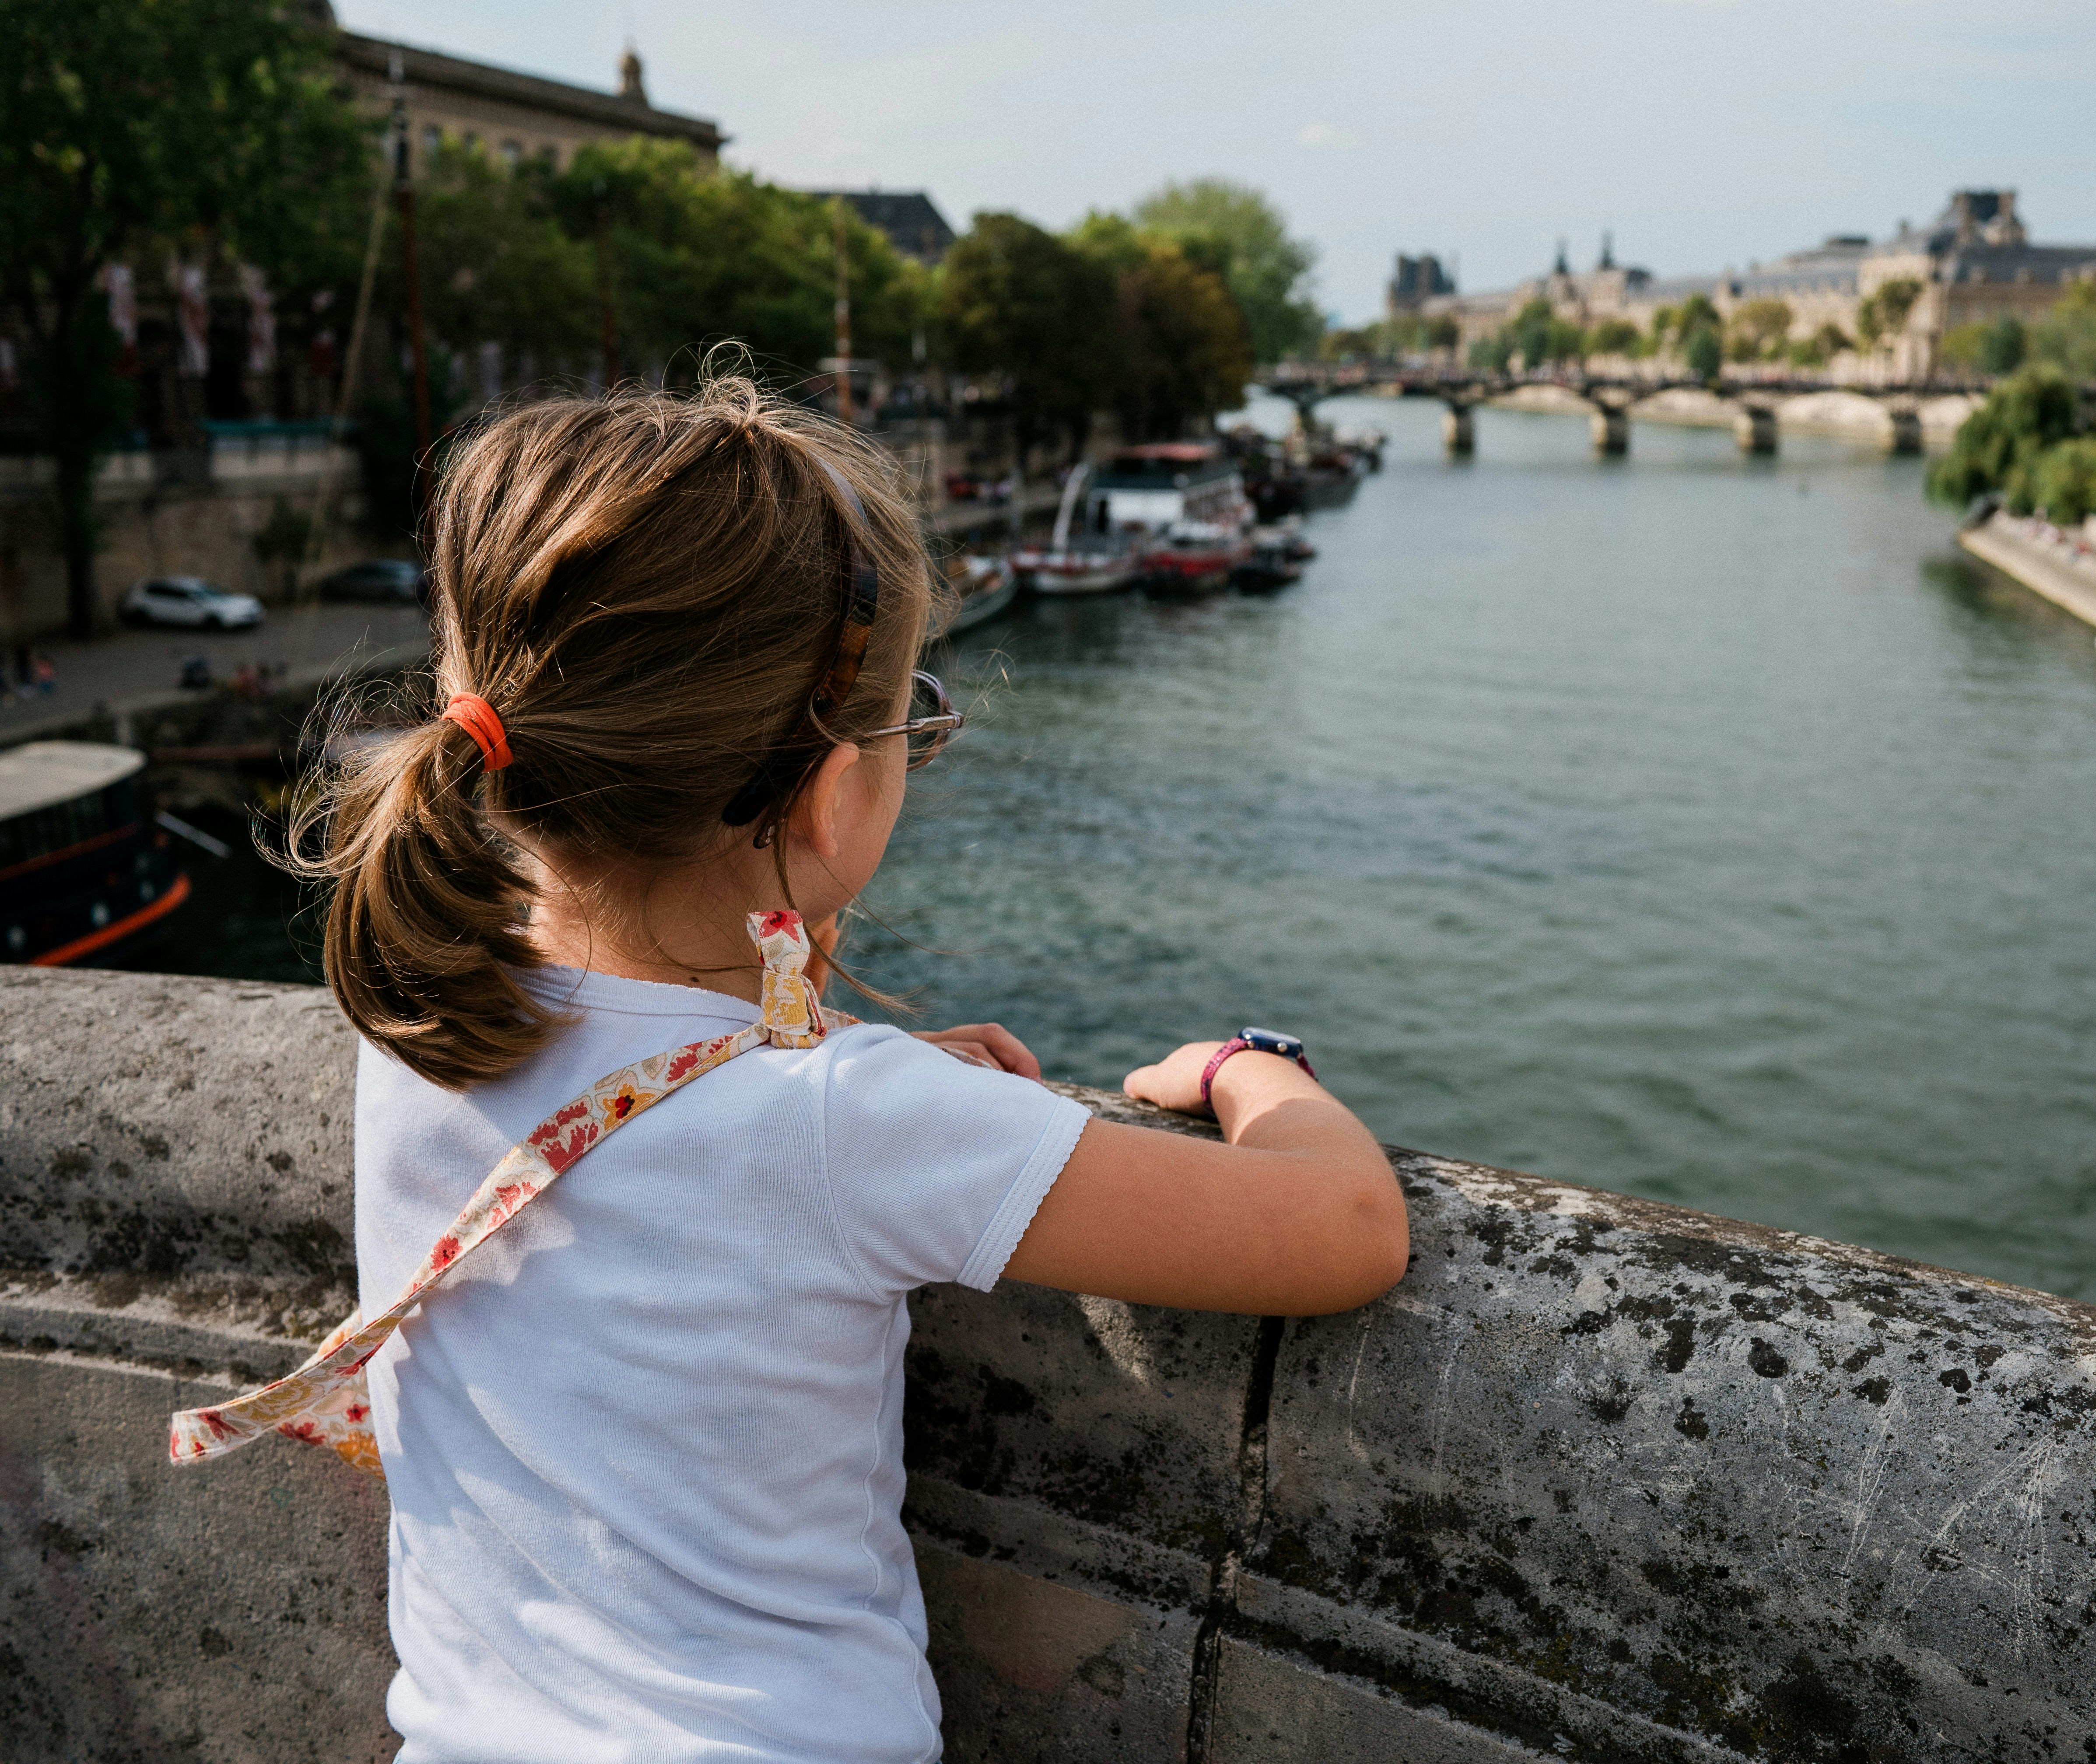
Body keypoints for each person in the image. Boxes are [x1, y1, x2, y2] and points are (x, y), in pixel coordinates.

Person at [281, 376, 1408, 1763]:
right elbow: (1346, 1231)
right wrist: (1253, 1072)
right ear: (827, 796)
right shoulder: (854, 1123)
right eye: (910, 724)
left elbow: (673, 1123)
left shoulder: (420, 1018)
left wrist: (796, 1052)